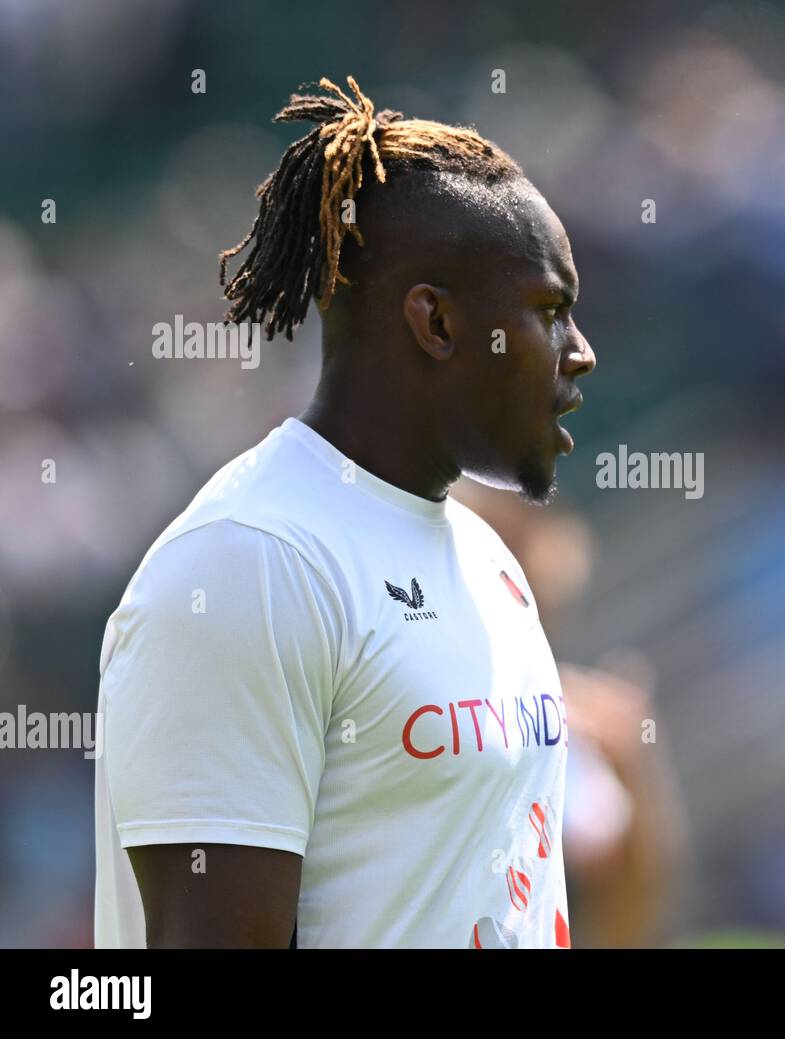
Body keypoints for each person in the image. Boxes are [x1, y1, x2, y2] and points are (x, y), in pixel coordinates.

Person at [93, 76, 596, 948]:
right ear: (435, 323)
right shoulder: (253, 561)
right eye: (550, 312)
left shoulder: (489, 563)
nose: (580, 354)